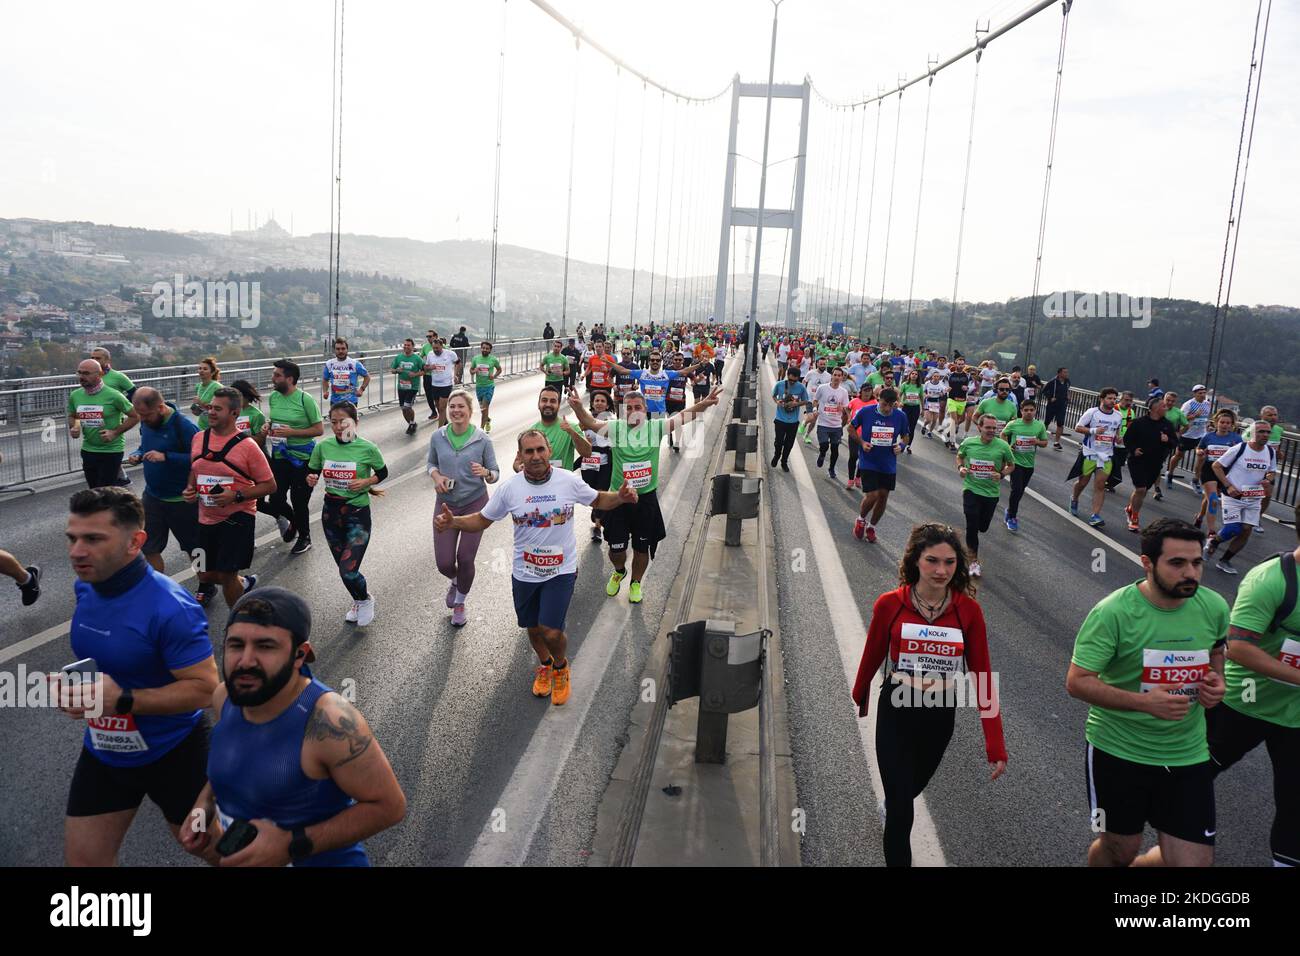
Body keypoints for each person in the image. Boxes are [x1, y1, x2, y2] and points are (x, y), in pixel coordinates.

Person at [181, 586, 406, 866]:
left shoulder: (329, 721)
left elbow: (389, 806)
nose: (246, 660)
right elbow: (230, 768)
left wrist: (290, 844)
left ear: (300, 655)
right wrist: (202, 809)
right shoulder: (225, 697)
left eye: (265, 647)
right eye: (236, 645)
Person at [58, 487, 218, 866]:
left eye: (93, 539)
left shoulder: (171, 608)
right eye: (73, 538)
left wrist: (124, 698)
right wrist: (80, 692)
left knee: (225, 855)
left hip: (174, 753)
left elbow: (205, 690)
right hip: (106, 750)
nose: (77, 551)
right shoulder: (86, 586)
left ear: (135, 542)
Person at [1067, 517, 1228, 867]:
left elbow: (1217, 650)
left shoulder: (1214, 606)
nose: (1191, 573)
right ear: (1147, 563)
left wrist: (1217, 682)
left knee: (1194, 864)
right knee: (1118, 850)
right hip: (1118, 753)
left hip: (1187, 755)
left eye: (1197, 563)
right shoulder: (1113, 613)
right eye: (1177, 563)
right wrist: (1144, 703)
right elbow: (1077, 682)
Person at [435, 429, 636, 705]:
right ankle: (544, 664)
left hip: (560, 571)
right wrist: (454, 523)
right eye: (529, 451)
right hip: (525, 572)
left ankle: (560, 666)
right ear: (520, 456)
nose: (536, 456)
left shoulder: (568, 481)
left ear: (549, 451)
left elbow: (599, 499)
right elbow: (482, 520)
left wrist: (620, 497)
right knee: (532, 627)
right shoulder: (510, 488)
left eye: (540, 449)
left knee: (551, 630)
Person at [851, 523, 1007, 867]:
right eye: (932, 561)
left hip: (939, 714)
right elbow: (873, 651)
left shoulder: (969, 612)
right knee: (902, 814)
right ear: (915, 561)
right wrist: (860, 693)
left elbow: (981, 676)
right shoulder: (890, 604)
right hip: (897, 708)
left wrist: (994, 742)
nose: (941, 571)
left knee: (905, 793)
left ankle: (893, 804)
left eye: (950, 562)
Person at [568, 385, 723, 604]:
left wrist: (704, 403)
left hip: (645, 500)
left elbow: (684, 416)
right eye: (629, 408)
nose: (633, 411)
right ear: (624, 411)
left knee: (642, 548)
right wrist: (577, 408)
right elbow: (591, 423)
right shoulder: (615, 428)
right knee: (616, 548)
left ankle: (636, 583)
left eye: (637, 407)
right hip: (618, 500)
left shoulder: (656, 427)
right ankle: (620, 571)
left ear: (645, 408)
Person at [1207, 507, 1300, 867]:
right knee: (1194, 775)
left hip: (1294, 718)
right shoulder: (1272, 580)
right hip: (1242, 703)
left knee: (1295, 802)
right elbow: (1240, 648)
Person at [183, 387, 276, 607]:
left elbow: (270, 485)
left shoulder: (247, 446)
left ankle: (236, 624)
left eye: (217, 409)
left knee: (225, 576)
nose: (211, 413)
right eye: (210, 408)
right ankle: (242, 583)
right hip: (204, 518)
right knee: (204, 575)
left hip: (236, 518)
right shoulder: (198, 438)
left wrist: (236, 495)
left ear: (234, 413)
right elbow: (195, 469)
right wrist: (190, 489)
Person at [307, 402, 387, 626]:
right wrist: (310, 478)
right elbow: (312, 471)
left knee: (348, 570)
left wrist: (366, 481)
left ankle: (365, 599)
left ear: (355, 422)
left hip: (357, 514)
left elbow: (382, 472)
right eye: (333, 422)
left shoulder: (368, 448)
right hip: (331, 514)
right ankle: (358, 599)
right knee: (344, 568)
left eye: (343, 421)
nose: (338, 426)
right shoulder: (323, 447)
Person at [428, 391, 500, 627]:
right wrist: (436, 476)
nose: (456, 411)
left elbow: (495, 474)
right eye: (452, 406)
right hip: (446, 504)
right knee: (444, 563)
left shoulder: (482, 440)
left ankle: (460, 603)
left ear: (470, 411)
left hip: (475, 504)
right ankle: (456, 579)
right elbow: (431, 463)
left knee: (466, 558)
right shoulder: (438, 437)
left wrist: (486, 473)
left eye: (461, 407)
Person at [128, 387, 202, 580]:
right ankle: (156, 587)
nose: (142, 420)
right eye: (139, 415)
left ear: (160, 408)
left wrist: (167, 457)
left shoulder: (184, 426)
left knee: (194, 547)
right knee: (148, 546)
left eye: (146, 415)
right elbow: (145, 446)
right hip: (153, 497)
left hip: (181, 500)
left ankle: (206, 583)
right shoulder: (148, 422)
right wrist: (137, 454)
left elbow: (201, 458)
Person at [261, 360, 323, 556]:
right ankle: (295, 521)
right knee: (276, 499)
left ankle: (305, 537)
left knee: (299, 500)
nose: (273, 378)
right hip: (280, 456)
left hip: (304, 458)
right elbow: (275, 421)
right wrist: (268, 426)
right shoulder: (274, 398)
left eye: (277, 375)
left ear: (290, 379)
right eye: (274, 374)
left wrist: (292, 432)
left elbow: (319, 429)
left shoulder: (305, 400)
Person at [1204, 419, 1278, 574]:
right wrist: (1228, 485)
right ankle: (1214, 541)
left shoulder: (1270, 452)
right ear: (1252, 433)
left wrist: (1268, 479)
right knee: (1233, 528)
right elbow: (1216, 466)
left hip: (1254, 497)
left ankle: (1225, 561)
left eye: (1267, 432)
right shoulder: (1240, 448)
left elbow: (1272, 471)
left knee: (1246, 530)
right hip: (1233, 496)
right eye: (1261, 432)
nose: (1265, 435)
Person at [956, 413, 1015, 577]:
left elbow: (1011, 465)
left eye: (994, 428)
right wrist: (961, 468)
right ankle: (973, 561)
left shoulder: (1003, 446)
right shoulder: (969, 443)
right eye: (988, 427)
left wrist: (1002, 474)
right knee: (972, 523)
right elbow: (959, 457)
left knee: (983, 527)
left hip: (991, 493)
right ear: (980, 427)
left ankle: (973, 553)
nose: (991, 431)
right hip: (971, 489)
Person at [851, 387, 910, 544]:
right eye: (884, 404)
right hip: (868, 460)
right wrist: (862, 442)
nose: (887, 409)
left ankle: (872, 527)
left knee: (883, 496)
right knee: (873, 495)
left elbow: (906, 437)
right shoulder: (866, 411)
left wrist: (902, 446)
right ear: (878, 399)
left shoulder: (900, 416)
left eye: (891, 405)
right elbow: (850, 428)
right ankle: (861, 519)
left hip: (888, 463)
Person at [68, 358, 139, 489]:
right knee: (94, 490)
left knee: (105, 491)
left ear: (99, 374)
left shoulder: (114, 395)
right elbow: (73, 415)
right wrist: (74, 427)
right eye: (80, 373)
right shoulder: (75, 395)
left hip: (111, 450)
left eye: (86, 373)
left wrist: (115, 432)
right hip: (88, 450)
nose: (82, 377)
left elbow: (135, 416)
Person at [1120, 397, 1179, 533]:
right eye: (1164, 406)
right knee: (1140, 489)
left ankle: (1130, 508)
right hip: (1138, 461)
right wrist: (1133, 450)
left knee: (1144, 490)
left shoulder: (1167, 425)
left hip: (1155, 462)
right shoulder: (1138, 423)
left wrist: (1167, 440)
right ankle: (1134, 517)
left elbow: (1175, 442)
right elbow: (1127, 439)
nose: (1166, 408)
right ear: (1155, 409)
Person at [1069, 387, 1123, 528]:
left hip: (1106, 456)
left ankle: (1095, 515)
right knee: (1082, 482)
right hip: (1089, 454)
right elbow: (1078, 427)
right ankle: (1074, 498)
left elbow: (1116, 432)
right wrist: (1093, 430)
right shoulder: (1092, 413)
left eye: (1114, 399)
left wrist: (1118, 439)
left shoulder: (1118, 416)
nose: (1112, 401)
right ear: (1102, 399)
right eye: (1109, 398)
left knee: (1100, 486)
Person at [514, 385, 591, 472]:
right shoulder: (531, 432)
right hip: (538, 484)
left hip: (562, 483)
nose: (548, 404)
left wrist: (572, 432)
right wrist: (520, 468)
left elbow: (587, 453)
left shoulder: (571, 427)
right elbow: (517, 463)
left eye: (553, 401)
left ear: (558, 406)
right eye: (544, 400)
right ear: (538, 405)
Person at [1000, 399, 1048, 533]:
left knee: (1020, 491)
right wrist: (1008, 447)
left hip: (1029, 463)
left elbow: (1045, 443)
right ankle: (1012, 518)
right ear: (1021, 411)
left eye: (1031, 410)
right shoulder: (1014, 424)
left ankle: (1009, 510)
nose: (1028, 412)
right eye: (1025, 410)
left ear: (1035, 411)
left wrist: (1037, 441)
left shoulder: (1039, 426)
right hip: (1015, 462)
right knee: (1016, 489)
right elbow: (1003, 434)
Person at [1191, 409, 1242, 534]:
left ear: (1231, 425)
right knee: (1213, 499)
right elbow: (1199, 448)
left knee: (1209, 499)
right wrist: (1200, 452)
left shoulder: (1236, 439)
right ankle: (1211, 531)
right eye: (1222, 422)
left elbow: (1241, 455)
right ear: (1216, 423)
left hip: (1225, 473)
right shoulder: (1208, 436)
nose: (1225, 425)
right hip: (1209, 469)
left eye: (1228, 423)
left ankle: (1200, 517)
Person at [579, 391, 616, 544]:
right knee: (592, 493)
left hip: (606, 463)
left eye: (602, 401)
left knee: (601, 492)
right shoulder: (584, 420)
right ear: (592, 403)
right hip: (589, 463)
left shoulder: (613, 421)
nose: (599, 403)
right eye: (596, 400)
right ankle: (597, 511)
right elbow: (578, 441)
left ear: (607, 404)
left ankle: (598, 527)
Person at [811, 367, 851, 481]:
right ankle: (822, 454)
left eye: (840, 376)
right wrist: (814, 410)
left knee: (835, 449)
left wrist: (843, 411)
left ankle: (831, 469)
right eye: (835, 375)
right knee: (824, 445)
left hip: (836, 425)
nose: (837, 377)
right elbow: (815, 401)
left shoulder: (843, 392)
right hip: (823, 423)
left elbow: (846, 407)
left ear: (842, 378)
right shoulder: (822, 388)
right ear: (831, 376)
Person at [771, 364, 809, 473]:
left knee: (789, 444)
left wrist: (795, 404)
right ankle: (777, 455)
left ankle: (784, 461)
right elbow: (774, 396)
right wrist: (777, 401)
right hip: (780, 419)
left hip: (793, 422)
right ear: (787, 376)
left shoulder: (801, 387)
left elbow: (806, 400)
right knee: (778, 442)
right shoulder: (779, 385)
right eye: (790, 379)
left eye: (794, 381)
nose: (792, 382)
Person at [1179, 385, 1213, 494]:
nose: (1203, 395)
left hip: (1201, 435)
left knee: (1201, 456)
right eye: (1200, 393)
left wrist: (1208, 426)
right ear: (1195, 394)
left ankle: (1195, 480)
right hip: (1187, 434)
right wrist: (1194, 416)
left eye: (1204, 393)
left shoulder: (1207, 404)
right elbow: (1182, 418)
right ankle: (1170, 472)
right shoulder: (1189, 404)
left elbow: (1207, 417)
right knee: (1179, 455)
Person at [1104, 391, 1139, 493]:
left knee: (1118, 464)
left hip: (1124, 444)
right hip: (1111, 443)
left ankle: (1108, 482)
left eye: (1130, 401)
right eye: (1126, 400)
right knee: (1112, 465)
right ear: (1120, 399)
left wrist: (1127, 439)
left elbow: (1131, 428)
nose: (1128, 402)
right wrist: (1115, 436)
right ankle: (1106, 482)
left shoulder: (1131, 412)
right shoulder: (1113, 409)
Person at [1257, 404, 1284, 532]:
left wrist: (1279, 453)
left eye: (1275, 415)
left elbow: (1276, 447)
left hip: (1269, 469)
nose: (1273, 417)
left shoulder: (1279, 430)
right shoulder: (1254, 428)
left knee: (1267, 495)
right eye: (1269, 415)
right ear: (1262, 416)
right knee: (1247, 494)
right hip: (1254, 466)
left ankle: (1256, 519)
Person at [322, 338, 370, 410]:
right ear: (334, 350)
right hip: (335, 402)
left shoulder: (354, 363)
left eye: (343, 348)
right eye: (338, 349)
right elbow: (325, 379)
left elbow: (367, 377)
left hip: (351, 402)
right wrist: (325, 391)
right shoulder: (329, 364)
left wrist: (361, 389)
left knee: (349, 421)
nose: (340, 351)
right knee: (336, 421)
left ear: (347, 350)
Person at [390, 338, 425, 436]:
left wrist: (415, 374)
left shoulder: (417, 359)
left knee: (407, 406)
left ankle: (412, 422)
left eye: (408, 345)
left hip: (412, 387)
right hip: (401, 387)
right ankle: (412, 424)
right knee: (403, 408)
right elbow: (392, 370)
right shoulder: (399, 357)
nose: (406, 346)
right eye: (404, 345)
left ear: (413, 347)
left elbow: (424, 371)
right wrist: (397, 370)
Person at [468, 340, 502, 432]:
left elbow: (499, 369)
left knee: (484, 408)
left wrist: (494, 376)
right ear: (481, 348)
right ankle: (487, 420)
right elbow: (471, 371)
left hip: (489, 386)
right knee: (483, 410)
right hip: (479, 387)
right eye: (483, 348)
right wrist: (474, 370)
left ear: (490, 350)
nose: (485, 350)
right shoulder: (476, 359)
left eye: (487, 349)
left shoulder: (493, 359)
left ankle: (481, 430)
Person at [422, 337, 457, 426]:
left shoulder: (450, 354)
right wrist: (430, 367)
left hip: (446, 384)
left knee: (442, 408)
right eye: (434, 348)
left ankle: (440, 430)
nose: (435, 350)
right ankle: (445, 422)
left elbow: (458, 362)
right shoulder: (430, 354)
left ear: (442, 346)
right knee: (438, 406)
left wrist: (456, 374)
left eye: (437, 348)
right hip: (435, 384)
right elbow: (425, 368)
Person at [1041, 367, 1071, 450]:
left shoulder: (1067, 382)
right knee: (1046, 422)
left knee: (1060, 424)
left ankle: (1056, 442)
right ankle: (1041, 438)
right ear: (1059, 373)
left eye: (1067, 372)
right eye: (1064, 372)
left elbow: (1067, 389)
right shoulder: (1052, 382)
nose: (1066, 374)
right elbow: (1044, 391)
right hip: (1052, 405)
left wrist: (1068, 396)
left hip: (1062, 406)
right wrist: (1050, 398)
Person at [191, 357, 221, 429]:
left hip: (215, 427)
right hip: (202, 426)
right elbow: (199, 412)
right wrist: (195, 409)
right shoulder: (198, 386)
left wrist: (200, 403)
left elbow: (219, 410)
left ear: (213, 372)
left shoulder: (217, 387)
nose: (201, 371)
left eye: (205, 369)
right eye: (200, 368)